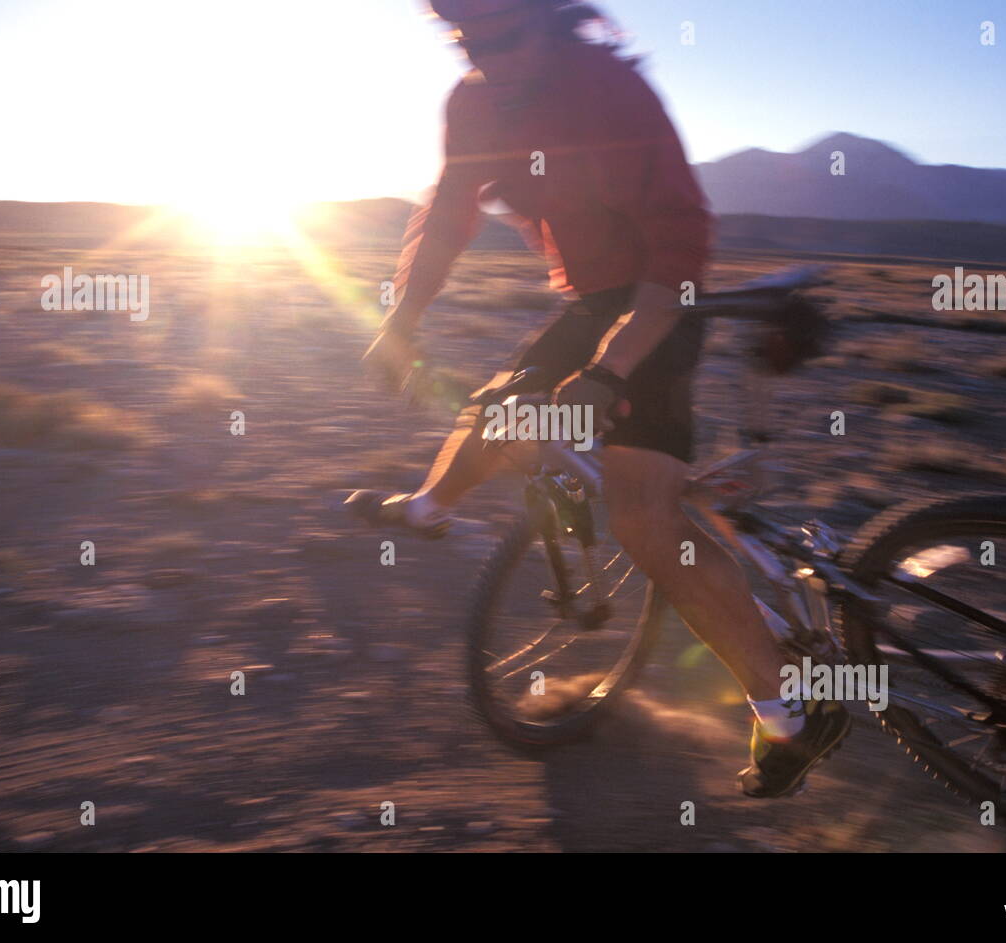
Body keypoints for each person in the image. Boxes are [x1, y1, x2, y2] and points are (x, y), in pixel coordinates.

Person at [347, 0, 848, 798]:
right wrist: (400, 321)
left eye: (505, 38)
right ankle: (430, 505)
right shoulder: (474, 100)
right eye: (467, 42)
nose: (489, 57)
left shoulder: (611, 91)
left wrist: (611, 372)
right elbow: (448, 212)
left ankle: (790, 711)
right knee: (502, 408)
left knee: (645, 519)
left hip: (658, 294)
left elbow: (681, 246)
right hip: (590, 299)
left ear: (549, 20)